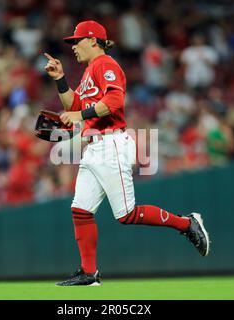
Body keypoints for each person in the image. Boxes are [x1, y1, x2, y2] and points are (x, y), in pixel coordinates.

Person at [44, 20, 210, 286]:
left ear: (92, 41)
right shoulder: (89, 71)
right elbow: (74, 103)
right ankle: (89, 273)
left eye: (76, 41)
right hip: (94, 146)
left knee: (126, 214)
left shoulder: (106, 65)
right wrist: (60, 79)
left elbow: (114, 102)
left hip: (111, 144)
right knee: (81, 209)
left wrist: (79, 114)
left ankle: (186, 224)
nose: (73, 46)